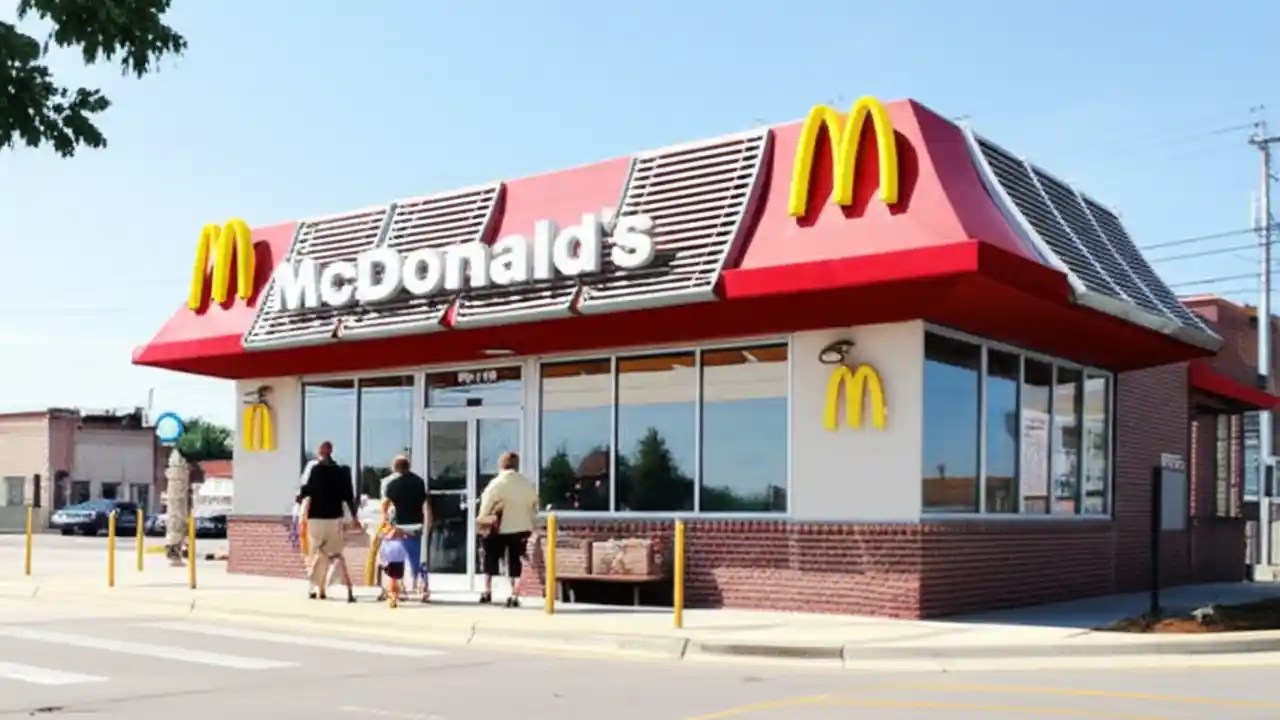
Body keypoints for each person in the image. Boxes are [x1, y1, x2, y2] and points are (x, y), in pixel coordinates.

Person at [296, 441, 360, 602]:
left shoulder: (315, 470)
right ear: (331, 452)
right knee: (331, 553)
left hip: (315, 517)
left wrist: (299, 503)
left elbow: (305, 491)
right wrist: (354, 516)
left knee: (314, 552)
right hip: (334, 518)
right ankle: (322, 586)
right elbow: (348, 496)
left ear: (320, 452)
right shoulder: (342, 472)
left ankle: (314, 585)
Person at [476, 451, 538, 607]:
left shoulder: (496, 484)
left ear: (501, 465)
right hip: (523, 528)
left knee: (490, 557)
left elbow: (485, 509)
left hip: (499, 529)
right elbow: (535, 507)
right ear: (517, 465)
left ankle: (487, 591)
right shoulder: (527, 484)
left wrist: (482, 519)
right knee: (515, 560)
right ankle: (514, 594)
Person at [379, 455, 431, 603]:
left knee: (396, 557)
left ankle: (397, 588)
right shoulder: (419, 482)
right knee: (418, 559)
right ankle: (423, 587)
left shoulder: (393, 484)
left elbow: (386, 506)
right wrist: (428, 522)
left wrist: (385, 522)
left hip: (399, 527)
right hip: (416, 525)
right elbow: (425, 504)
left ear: (395, 468)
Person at [378, 524, 410, 609]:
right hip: (397, 558)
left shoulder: (386, 534)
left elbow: (382, 550)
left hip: (391, 558)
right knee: (395, 578)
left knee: (393, 578)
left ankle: (393, 596)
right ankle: (394, 596)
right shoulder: (401, 535)